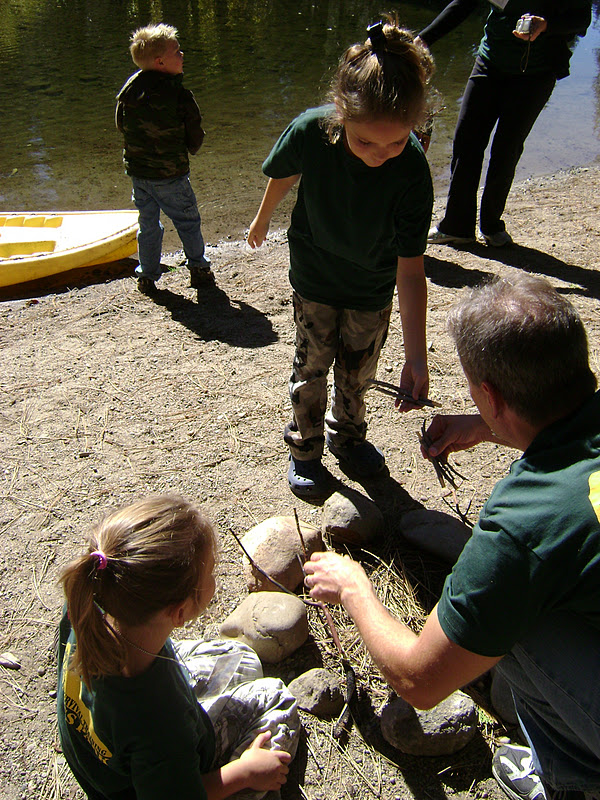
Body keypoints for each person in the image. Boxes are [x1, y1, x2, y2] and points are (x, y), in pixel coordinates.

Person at [304, 274, 600, 799]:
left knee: (512, 615)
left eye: (475, 394)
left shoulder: (522, 524)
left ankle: (574, 788)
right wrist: (489, 425)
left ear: (491, 392)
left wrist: (353, 588)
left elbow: (420, 682)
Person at [247, 17, 435, 499]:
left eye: (396, 141)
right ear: (341, 113)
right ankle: (305, 447)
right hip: (315, 277)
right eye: (366, 141)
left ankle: (347, 438)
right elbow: (284, 174)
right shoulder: (312, 131)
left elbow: (412, 271)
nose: (381, 153)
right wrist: (264, 216)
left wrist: (417, 355)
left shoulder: (411, 169)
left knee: (358, 374)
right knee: (311, 367)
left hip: (370, 290)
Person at [57, 494, 299, 800]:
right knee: (276, 697)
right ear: (180, 612)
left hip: (112, 751)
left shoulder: (88, 604)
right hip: (154, 780)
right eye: (211, 572)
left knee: (243, 658)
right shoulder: (159, 722)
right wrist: (244, 772)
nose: (214, 577)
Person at [420, 1, 592, 247]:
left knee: (506, 149)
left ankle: (491, 225)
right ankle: (457, 225)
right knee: (466, 141)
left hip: (536, 74)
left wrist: (546, 25)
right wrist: (423, 40)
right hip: (489, 62)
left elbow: (581, 19)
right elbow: (462, 4)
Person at [115, 24, 214, 295]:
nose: (182, 55)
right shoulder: (180, 95)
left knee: (148, 225)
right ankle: (199, 268)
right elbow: (195, 134)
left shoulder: (130, 89)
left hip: (139, 174)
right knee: (187, 221)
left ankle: (147, 275)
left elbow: (120, 123)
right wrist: (188, 148)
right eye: (177, 51)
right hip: (170, 174)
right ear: (161, 62)